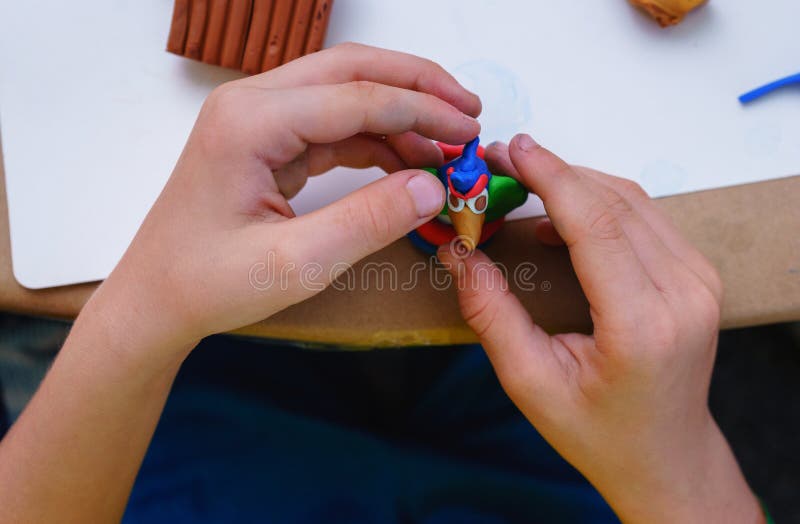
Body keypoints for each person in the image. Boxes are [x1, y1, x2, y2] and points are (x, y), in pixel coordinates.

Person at [0, 43, 767, 523]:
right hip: (591, 467)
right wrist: (685, 486)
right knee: (533, 319)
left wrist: (133, 321)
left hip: (191, 458)